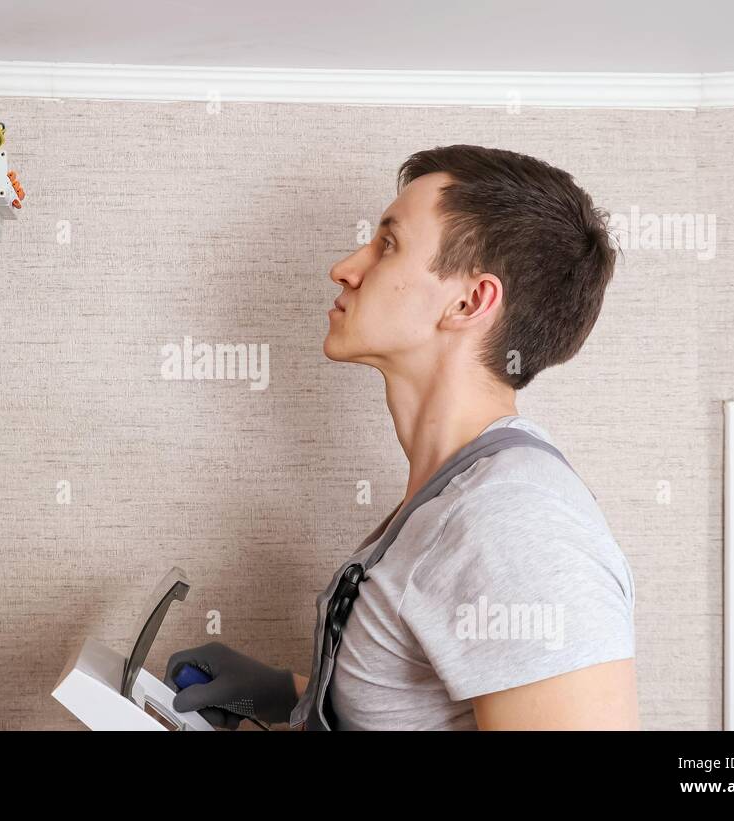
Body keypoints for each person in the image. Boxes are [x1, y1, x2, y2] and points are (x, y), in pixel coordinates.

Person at [165, 145, 638, 730]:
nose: (345, 267)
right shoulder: (449, 496)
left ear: (469, 302)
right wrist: (288, 695)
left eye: (388, 244)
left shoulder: (509, 520)